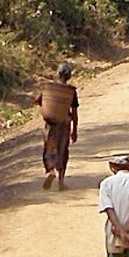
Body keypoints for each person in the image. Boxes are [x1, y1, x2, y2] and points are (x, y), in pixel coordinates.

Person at [33, 62, 79, 190]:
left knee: (50, 147)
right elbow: (74, 113)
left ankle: (50, 170)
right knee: (63, 150)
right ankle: (61, 181)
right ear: (69, 76)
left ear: (58, 74)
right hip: (64, 124)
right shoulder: (70, 91)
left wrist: (49, 102)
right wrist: (74, 130)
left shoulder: (48, 87)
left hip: (51, 124)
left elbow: (37, 100)